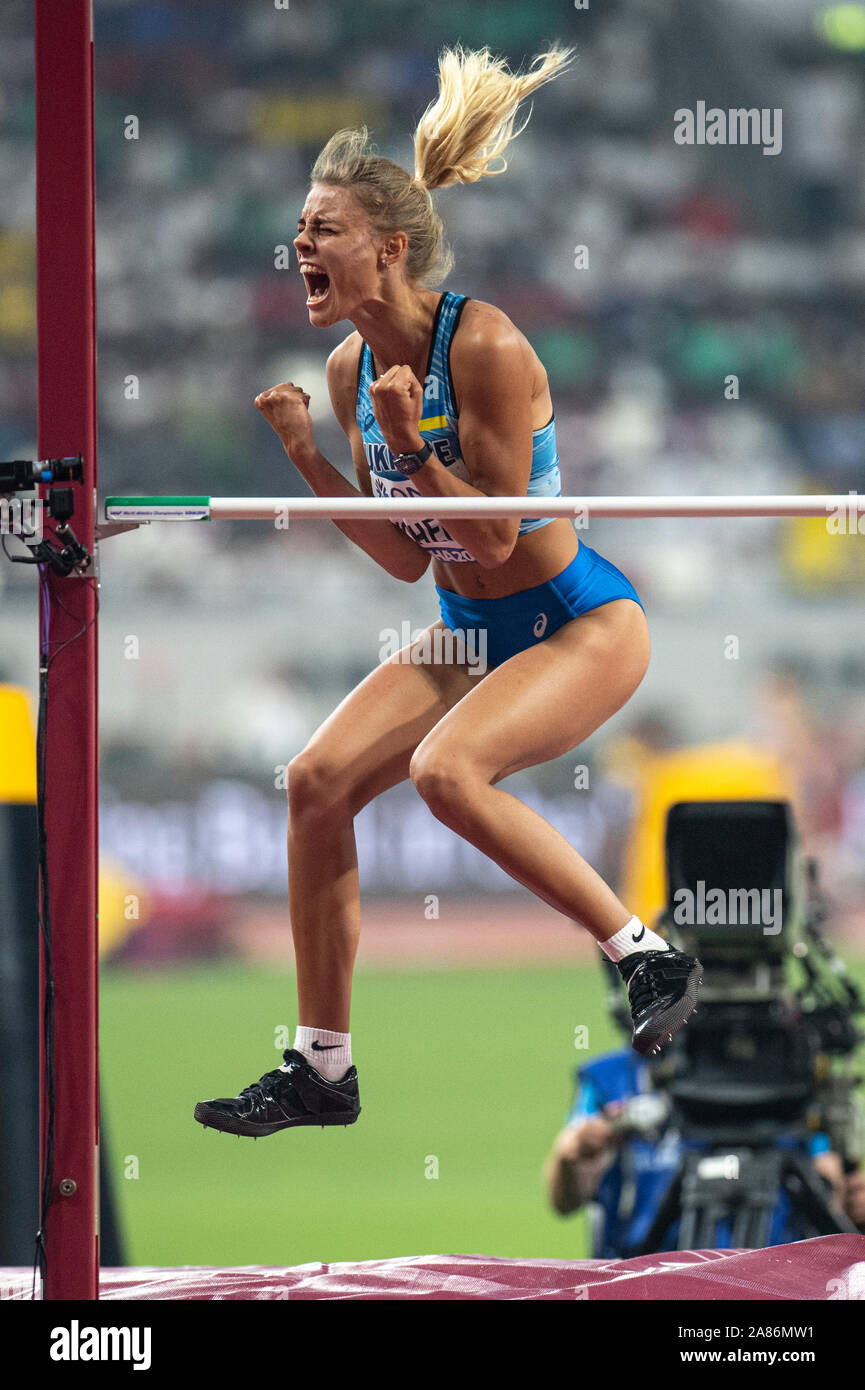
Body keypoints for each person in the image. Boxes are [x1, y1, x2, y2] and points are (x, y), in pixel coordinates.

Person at [194, 45, 702, 1139]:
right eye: (298, 231)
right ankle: (321, 1067)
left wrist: (406, 444)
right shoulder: (342, 374)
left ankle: (645, 955)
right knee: (316, 780)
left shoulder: (488, 346)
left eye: (320, 230)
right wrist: (312, 463)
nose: (298, 247)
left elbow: (494, 529)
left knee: (444, 770)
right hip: (468, 628)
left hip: (579, 621)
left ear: (388, 248)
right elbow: (409, 559)